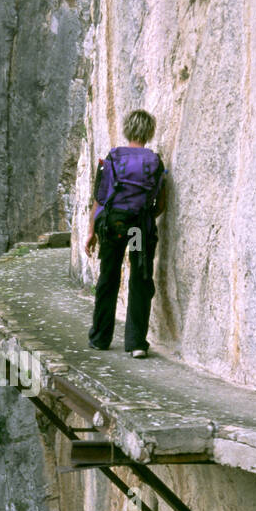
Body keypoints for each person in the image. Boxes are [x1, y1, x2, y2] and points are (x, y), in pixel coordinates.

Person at [84, 108, 167, 356]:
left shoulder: (112, 159)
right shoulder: (155, 162)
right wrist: (144, 220)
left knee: (108, 278)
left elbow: (99, 199)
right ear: (149, 132)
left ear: (127, 130)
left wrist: (91, 231)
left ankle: (100, 338)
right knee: (140, 279)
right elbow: (160, 204)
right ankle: (136, 344)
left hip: (112, 226)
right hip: (138, 227)